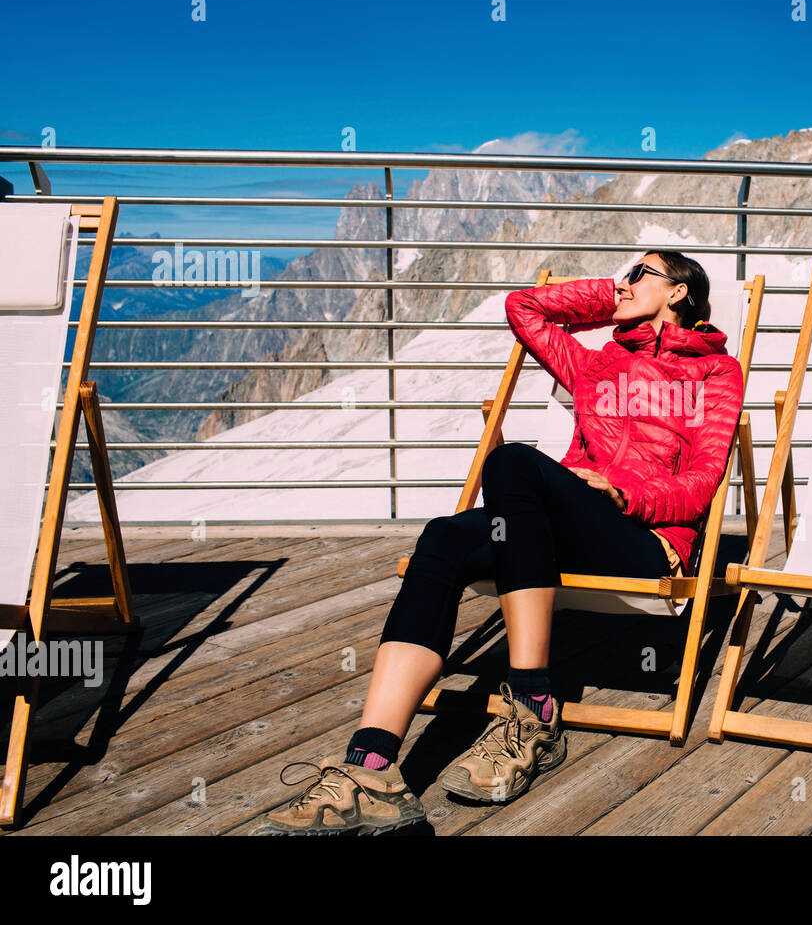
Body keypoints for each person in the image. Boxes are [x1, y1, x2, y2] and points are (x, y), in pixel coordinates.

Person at [254, 250, 745, 835]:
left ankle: (534, 711)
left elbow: (700, 486)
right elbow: (525, 308)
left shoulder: (716, 373)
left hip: (642, 538)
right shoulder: (597, 364)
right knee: (441, 538)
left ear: (680, 291)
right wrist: (605, 296)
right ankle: (372, 767)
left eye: (640, 274)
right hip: (560, 533)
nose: (625, 282)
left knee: (512, 464)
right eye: (624, 275)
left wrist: (620, 492)